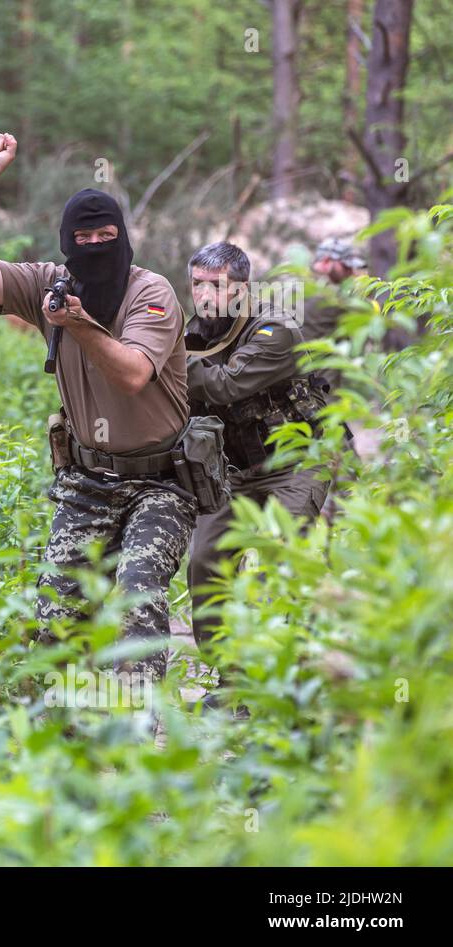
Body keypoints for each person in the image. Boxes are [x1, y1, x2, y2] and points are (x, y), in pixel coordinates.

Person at [0, 132, 198, 683]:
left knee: (139, 595)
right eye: (83, 238)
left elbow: (133, 373)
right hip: (87, 481)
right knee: (58, 616)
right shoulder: (48, 286)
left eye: (106, 236)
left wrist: (81, 326)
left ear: (124, 238)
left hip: (161, 480)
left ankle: (135, 738)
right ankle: (62, 745)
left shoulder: (151, 292)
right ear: (67, 243)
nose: (95, 246)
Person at [184, 241, 330, 705]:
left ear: (242, 288)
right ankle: (233, 682)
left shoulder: (275, 327)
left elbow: (225, 385)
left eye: (218, 285)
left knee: (284, 562)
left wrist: (161, 361)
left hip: (297, 461)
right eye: (197, 285)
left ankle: (294, 679)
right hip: (236, 472)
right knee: (206, 562)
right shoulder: (193, 335)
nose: (206, 295)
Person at [303, 237, 369, 394]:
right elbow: (369, 317)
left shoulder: (294, 284)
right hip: (322, 388)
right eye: (345, 267)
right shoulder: (332, 297)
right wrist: (361, 285)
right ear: (327, 262)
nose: (350, 272)